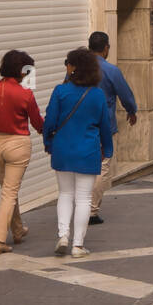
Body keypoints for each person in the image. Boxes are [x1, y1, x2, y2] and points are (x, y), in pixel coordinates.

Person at [43, 48, 112, 258]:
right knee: (83, 198)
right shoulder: (97, 95)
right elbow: (104, 126)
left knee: (64, 194)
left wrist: (48, 143)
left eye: (68, 63)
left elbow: (49, 122)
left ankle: (63, 235)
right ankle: (78, 246)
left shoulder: (60, 91)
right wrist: (107, 149)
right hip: (88, 151)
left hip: (63, 150)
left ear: (73, 67)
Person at [0, 50, 43, 254]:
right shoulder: (25, 94)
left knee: (7, 189)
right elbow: (37, 121)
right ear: (21, 72)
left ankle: (18, 229)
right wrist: (48, 134)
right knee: (9, 192)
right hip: (18, 143)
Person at [86, 31, 137, 226]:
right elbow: (125, 94)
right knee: (102, 167)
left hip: (80, 127)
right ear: (106, 48)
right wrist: (132, 111)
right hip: (103, 127)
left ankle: (80, 205)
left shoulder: (78, 69)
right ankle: (91, 211)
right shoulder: (111, 70)